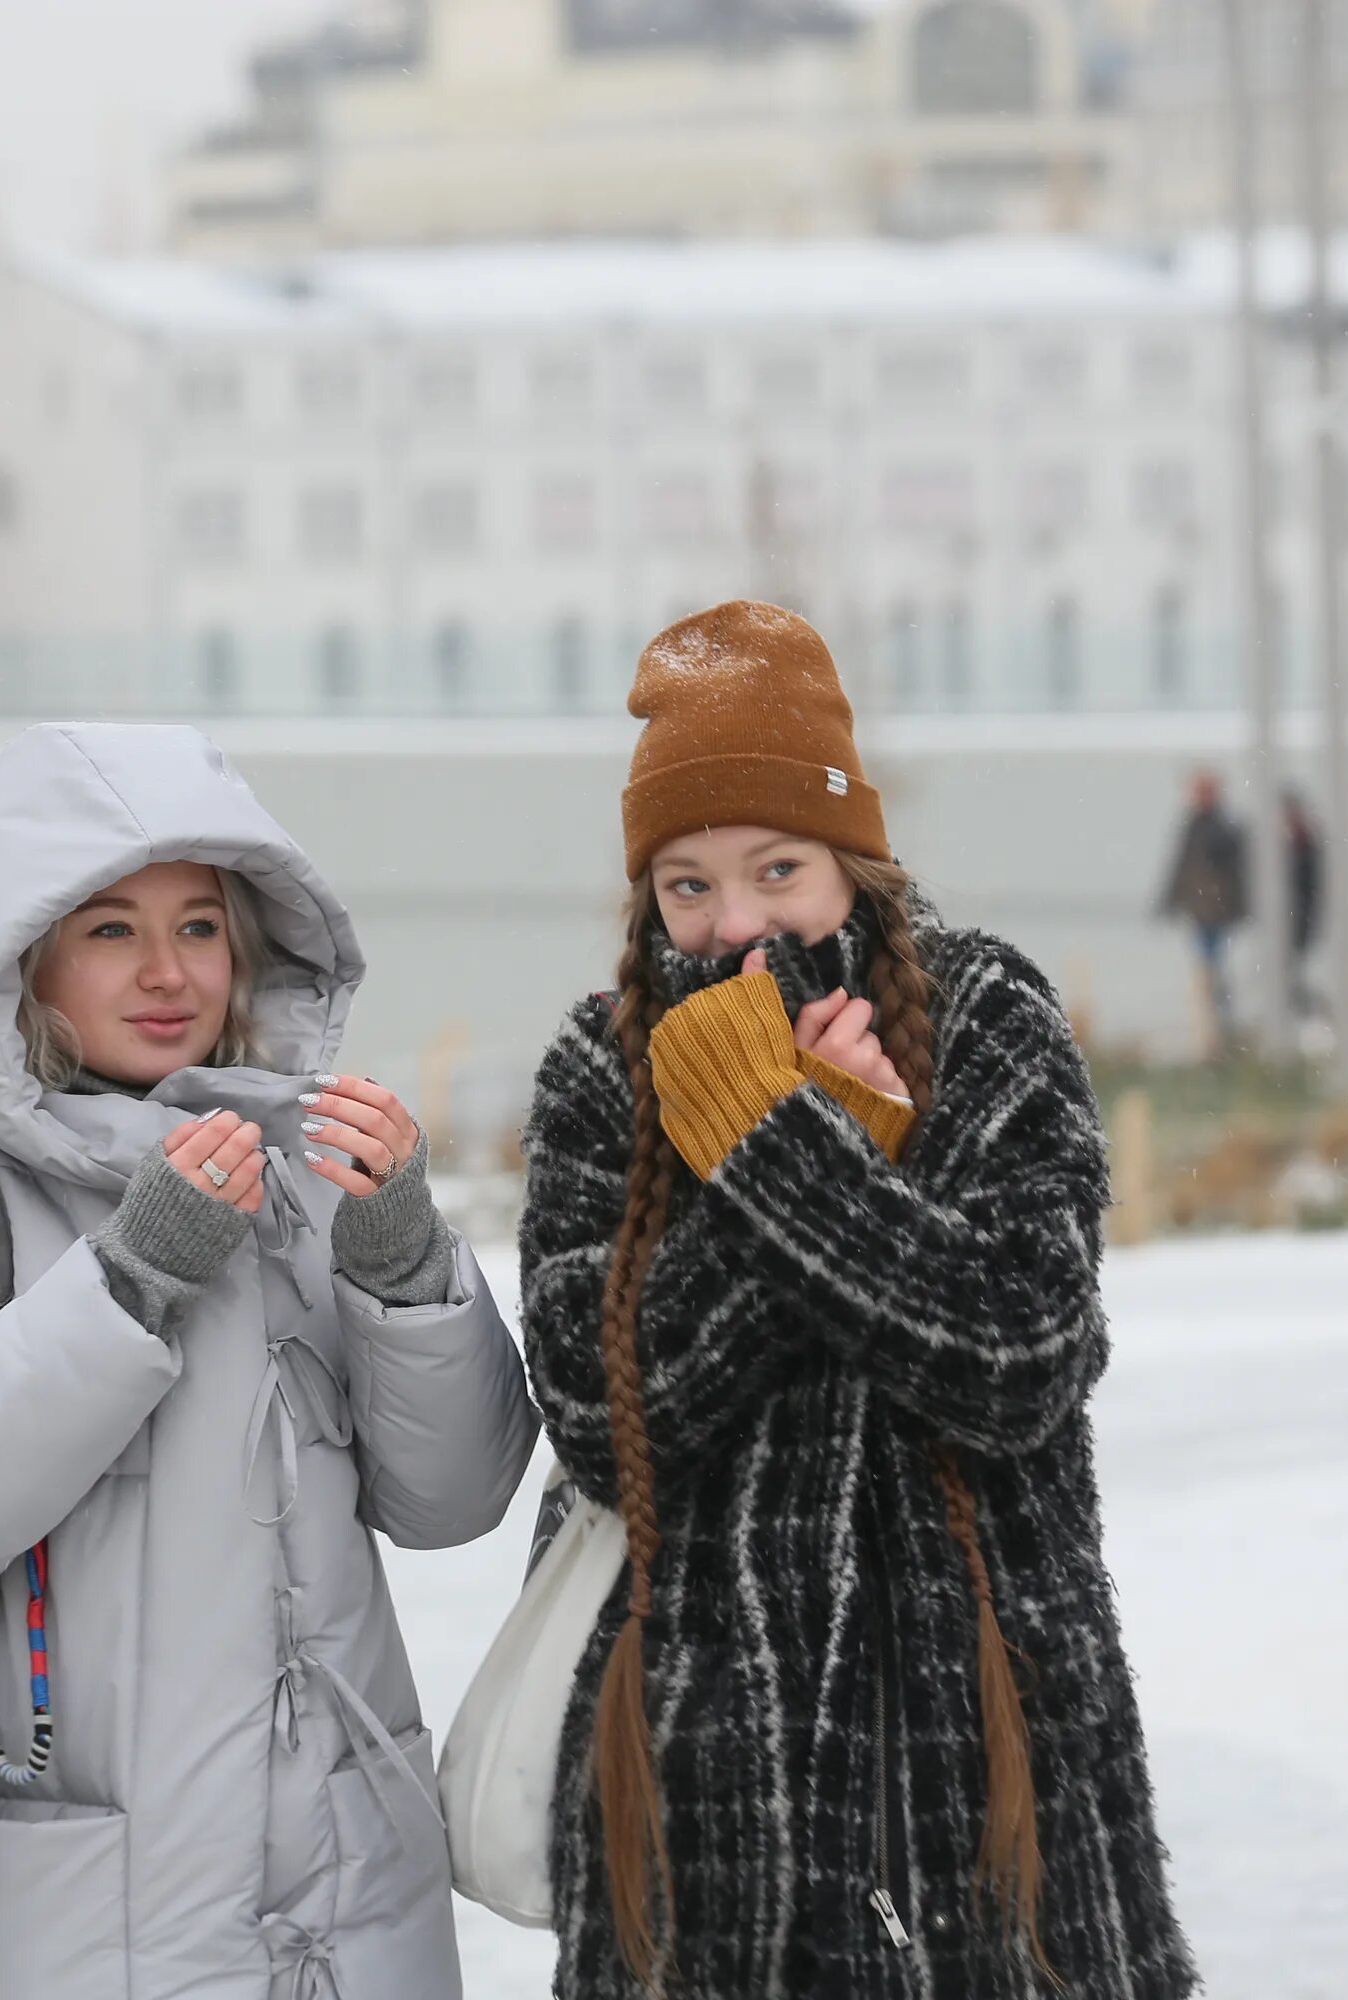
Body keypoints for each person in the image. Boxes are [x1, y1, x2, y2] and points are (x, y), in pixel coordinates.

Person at [519, 604, 1196, 1999]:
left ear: (854, 862)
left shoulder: (983, 1021)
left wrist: (778, 1149)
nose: (738, 924)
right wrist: (813, 1142)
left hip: (990, 1765)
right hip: (703, 1783)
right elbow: (603, 1415)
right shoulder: (603, 1074)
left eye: (778, 868)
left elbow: (1023, 1349)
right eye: (688, 885)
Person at [0, 721, 536, 2000]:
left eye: (199, 925)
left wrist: (402, 1255)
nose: (165, 970)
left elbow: (454, 1498)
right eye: (107, 929)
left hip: (361, 1926)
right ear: (19, 962)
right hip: (79, 1937)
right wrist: (132, 1275)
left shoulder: (306, 1175)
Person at [1156, 769, 1250, 1049]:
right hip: (1203, 911)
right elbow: (1183, 868)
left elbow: (1196, 867)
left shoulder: (1218, 827)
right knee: (1208, 970)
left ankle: (1216, 1032)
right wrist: (1170, 901)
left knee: (1209, 971)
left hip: (1212, 912)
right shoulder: (1203, 825)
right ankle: (1215, 1031)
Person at [1282, 787, 1327, 1019]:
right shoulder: (1294, 840)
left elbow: (1311, 882)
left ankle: (1308, 1010)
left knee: (1292, 967)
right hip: (1292, 916)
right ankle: (1305, 1009)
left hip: (1300, 916)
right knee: (1291, 969)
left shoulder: (1304, 841)